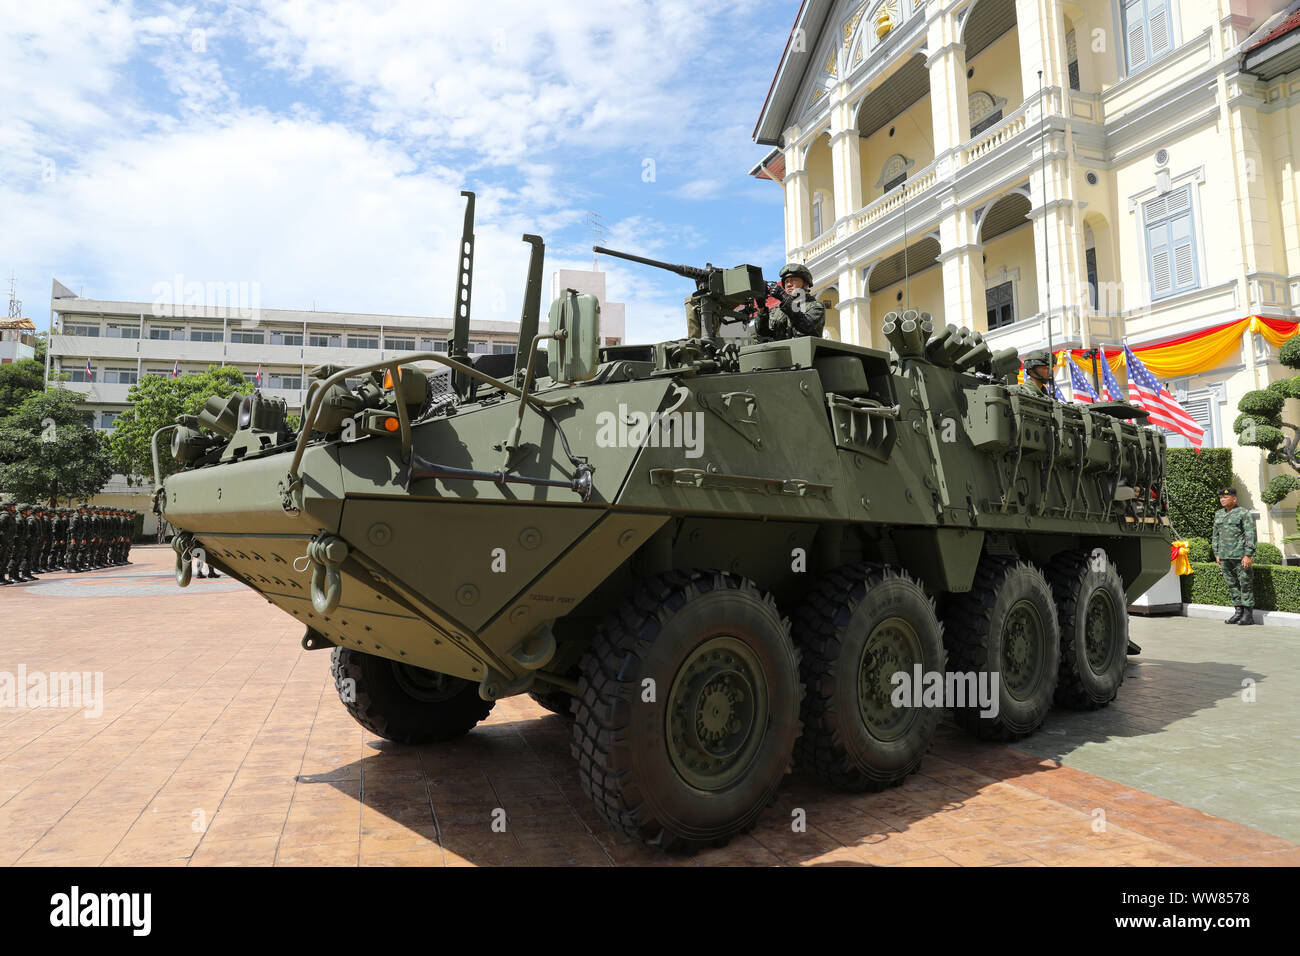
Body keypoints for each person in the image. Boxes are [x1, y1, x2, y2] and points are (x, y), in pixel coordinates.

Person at [1212, 487, 1257, 626]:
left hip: (1240, 556)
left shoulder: (1243, 513)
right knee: (1232, 585)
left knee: (1245, 584)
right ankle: (1238, 612)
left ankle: (1248, 615)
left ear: (1234, 498)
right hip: (1224, 556)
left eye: (1225, 497)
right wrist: (1217, 553)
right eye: (1221, 497)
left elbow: (1251, 534)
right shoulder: (1219, 514)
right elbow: (1215, 535)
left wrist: (1248, 554)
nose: (1222, 499)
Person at [755, 263, 825, 342]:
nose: (789, 284)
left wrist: (783, 297)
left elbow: (806, 326)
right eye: (786, 281)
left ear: (806, 285)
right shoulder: (776, 311)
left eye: (793, 280)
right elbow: (764, 334)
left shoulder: (816, 307)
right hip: (782, 352)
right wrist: (761, 307)